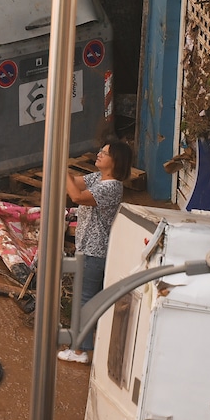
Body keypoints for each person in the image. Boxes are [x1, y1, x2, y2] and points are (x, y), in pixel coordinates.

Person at [59, 138, 134, 364]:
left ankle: (80, 350)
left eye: (105, 152)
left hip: (95, 250)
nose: (99, 154)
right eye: (100, 151)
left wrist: (61, 167)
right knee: (84, 297)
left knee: (85, 299)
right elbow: (75, 183)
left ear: (116, 160)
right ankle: (79, 345)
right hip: (87, 248)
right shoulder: (98, 179)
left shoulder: (111, 187)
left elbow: (77, 196)